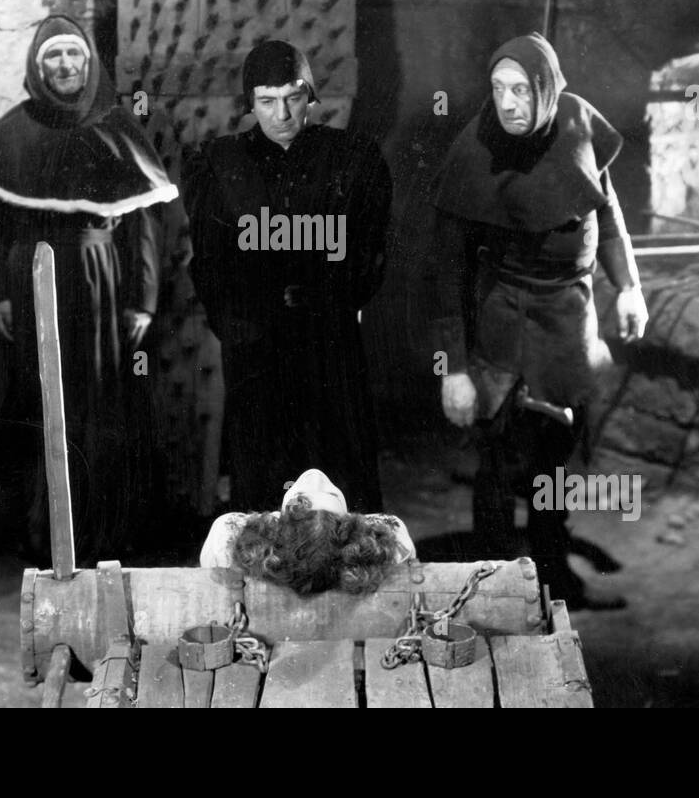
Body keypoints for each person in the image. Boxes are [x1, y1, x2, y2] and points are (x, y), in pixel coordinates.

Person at [428, 32, 646, 610]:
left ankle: (554, 583)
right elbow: (444, 272)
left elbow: (606, 207)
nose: (508, 104)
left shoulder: (576, 122)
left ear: (546, 91)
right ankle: (493, 593)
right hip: (508, 326)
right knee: (501, 466)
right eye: (498, 90)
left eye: (521, 90)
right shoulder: (476, 150)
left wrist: (629, 287)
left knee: (555, 464)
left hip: (570, 324)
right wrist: (452, 368)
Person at [0, 15, 175, 563]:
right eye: (53, 58)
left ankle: (102, 533)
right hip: (30, 277)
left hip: (99, 276)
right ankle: (45, 536)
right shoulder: (10, 131)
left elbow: (141, 224)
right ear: (37, 68)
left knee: (100, 404)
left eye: (74, 56)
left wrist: (143, 299)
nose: (65, 67)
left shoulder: (114, 124)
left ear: (89, 64)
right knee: (39, 399)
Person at [183, 39, 392, 512]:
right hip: (258, 349)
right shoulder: (218, 164)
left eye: (293, 98)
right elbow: (209, 261)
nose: (281, 113)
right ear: (249, 103)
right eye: (266, 101)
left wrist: (337, 303)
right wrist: (238, 326)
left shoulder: (352, 158)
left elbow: (369, 252)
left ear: (310, 97)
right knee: (263, 477)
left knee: (340, 469)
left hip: (329, 343)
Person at [200, 468, 415, 595]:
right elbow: (393, 530)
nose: (315, 476)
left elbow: (226, 526)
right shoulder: (388, 538)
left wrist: (269, 534)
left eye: (300, 498)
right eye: (331, 494)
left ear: (278, 529)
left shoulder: (232, 536)